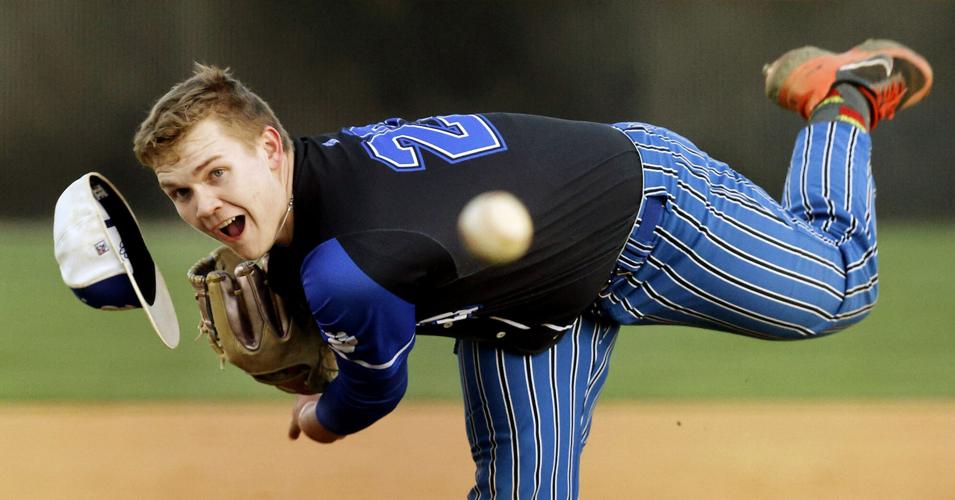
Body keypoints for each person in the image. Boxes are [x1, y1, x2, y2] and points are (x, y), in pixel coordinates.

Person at [132, 39, 931, 498]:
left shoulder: (345, 268)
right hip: (524, 311)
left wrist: (323, 412)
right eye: (179, 192)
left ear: (270, 147)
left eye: (215, 172)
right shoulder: (308, 192)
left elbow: (374, 388)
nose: (203, 204)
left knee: (841, 285)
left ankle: (843, 97)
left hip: (643, 213)